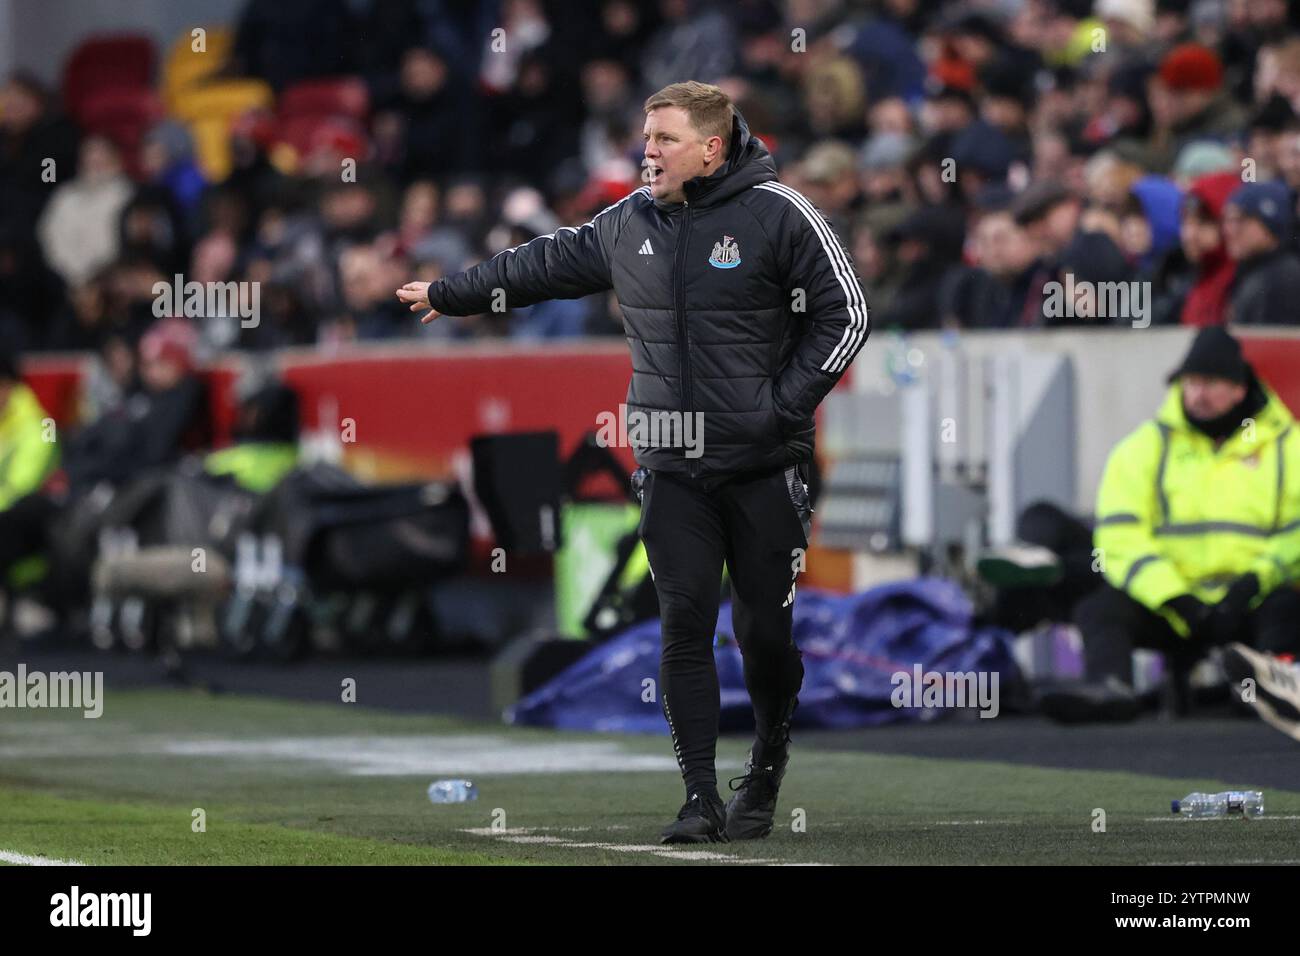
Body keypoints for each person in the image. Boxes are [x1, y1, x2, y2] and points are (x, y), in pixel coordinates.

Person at [397, 81, 869, 843]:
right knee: (682, 623)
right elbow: (541, 263)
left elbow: (848, 311)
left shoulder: (781, 213)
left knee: (764, 635)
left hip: (762, 468)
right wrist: (454, 293)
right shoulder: (628, 223)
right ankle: (698, 797)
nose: (647, 152)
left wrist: (780, 410)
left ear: (712, 148)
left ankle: (769, 762)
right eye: (645, 138)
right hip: (671, 464)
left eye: (665, 139)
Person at [1048, 327, 1300, 723]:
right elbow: (1119, 538)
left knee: (1288, 607)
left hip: (1251, 599)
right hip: (1171, 605)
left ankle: (1271, 693)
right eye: (1190, 382)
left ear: (1239, 388)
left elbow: (1296, 535)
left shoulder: (1290, 447)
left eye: (1211, 383)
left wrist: (1249, 585)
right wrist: (1177, 599)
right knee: (1100, 609)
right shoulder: (1143, 448)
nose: (1197, 394)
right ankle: (1110, 688)